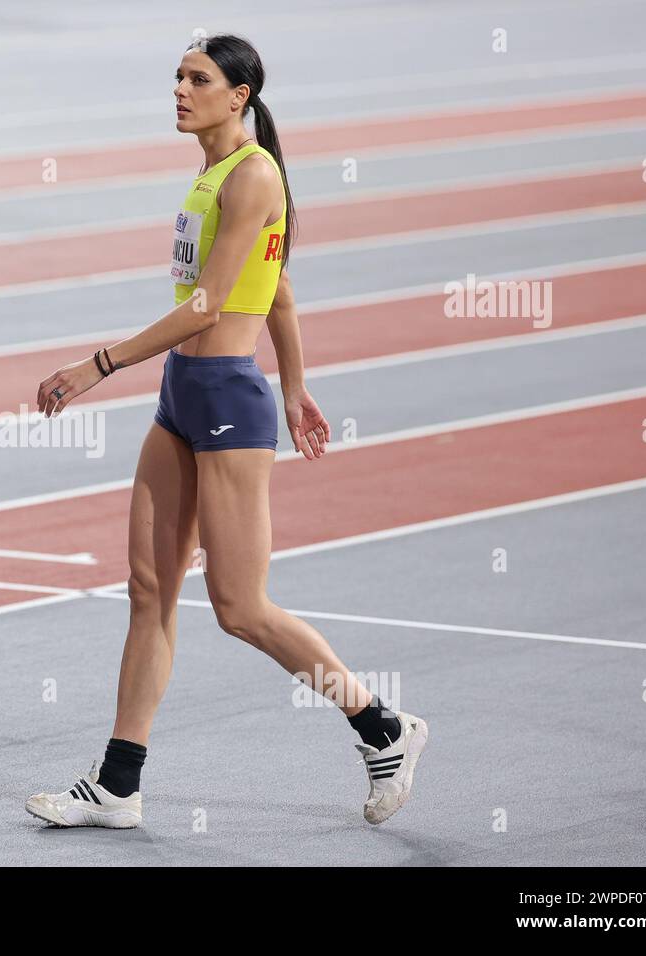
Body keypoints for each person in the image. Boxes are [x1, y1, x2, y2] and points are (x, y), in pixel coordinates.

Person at [25, 34, 428, 829]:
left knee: (240, 606)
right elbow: (274, 287)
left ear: (238, 95)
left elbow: (210, 305)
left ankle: (383, 727)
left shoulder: (252, 176)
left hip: (226, 400)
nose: (180, 89)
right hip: (183, 393)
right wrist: (301, 383)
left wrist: (95, 366)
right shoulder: (212, 174)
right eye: (176, 76)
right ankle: (118, 784)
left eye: (198, 79)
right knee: (149, 589)